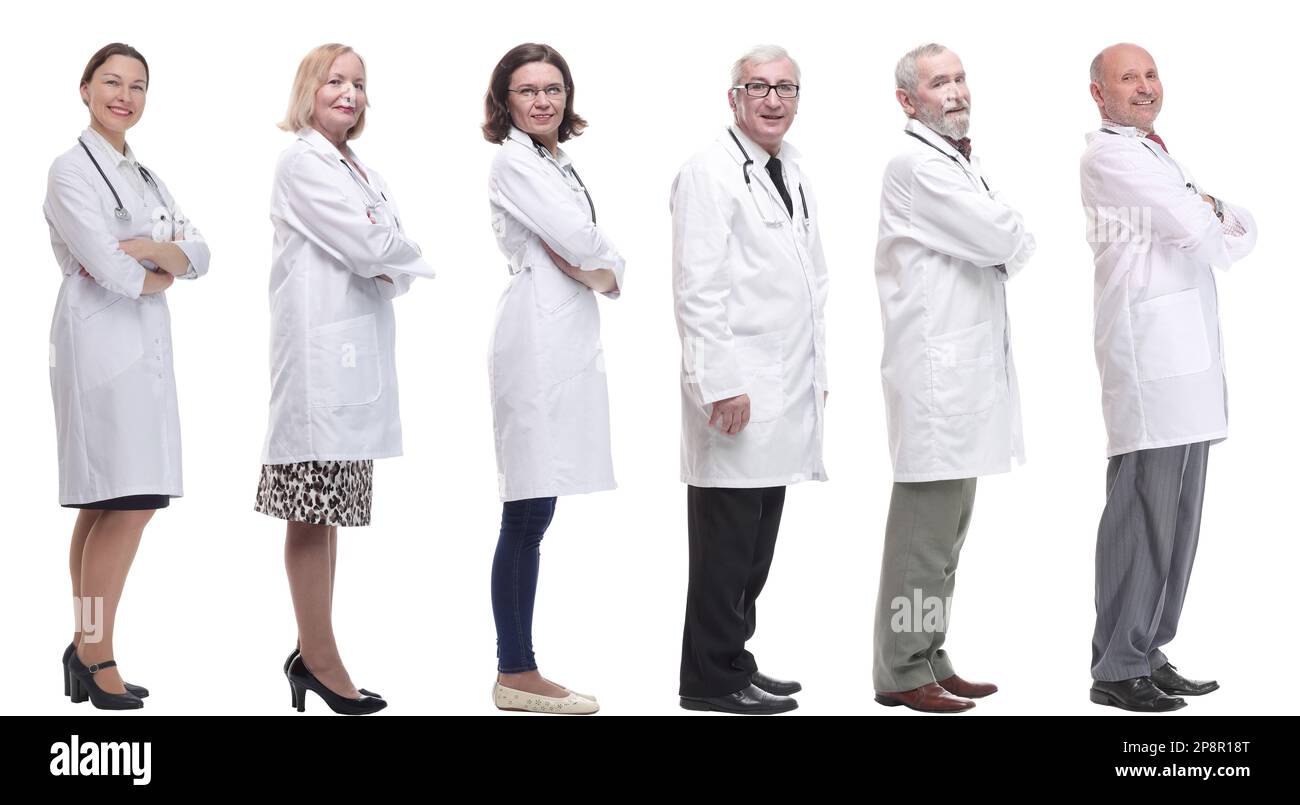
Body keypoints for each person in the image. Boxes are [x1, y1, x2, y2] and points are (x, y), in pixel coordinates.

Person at [257, 43, 433, 715]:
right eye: (335, 80)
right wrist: (390, 254)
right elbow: (375, 248)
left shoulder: (358, 168)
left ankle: (314, 650)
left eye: (359, 83)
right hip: (316, 369)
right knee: (310, 510)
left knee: (329, 512)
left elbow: (392, 254)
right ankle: (319, 657)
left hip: (351, 363)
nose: (349, 92)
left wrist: (390, 255)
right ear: (309, 88)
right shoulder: (302, 163)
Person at [1081, 43, 1256, 712]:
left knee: (1179, 519)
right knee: (1142, 514)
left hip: (1186, 368)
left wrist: (1208, 208)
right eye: (1130, 78)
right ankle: (1117, 664)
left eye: (1151, 74)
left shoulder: (1155, 153)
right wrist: (1207, 208)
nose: (1146, 86)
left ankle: (1148, 649)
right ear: (1099, 93)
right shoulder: (1112, 157)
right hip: (1150, 366)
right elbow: (1208, 233)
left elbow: (1239, 227)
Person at [869, 43, 1035, 714]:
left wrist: (1004, 236)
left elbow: (1001, 237)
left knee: (948, 536)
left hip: (962, 382)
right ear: (910, 101)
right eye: (940, 83)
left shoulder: (957, 161)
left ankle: (931, 653)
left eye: (961, 78)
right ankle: (903, 666)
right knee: (923, 539)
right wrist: (1006, 237)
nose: (957, 91)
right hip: (937, 383)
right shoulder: (916, 165)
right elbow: (1005, 239)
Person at [46, 43, 211, 710]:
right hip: (98, 348)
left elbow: (201, 250)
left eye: (137, 85)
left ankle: (86, 645)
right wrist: (159, 266)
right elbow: (112, 270)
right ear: (84, 89)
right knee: (125, 500)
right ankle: (96, 652)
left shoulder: (146, 178)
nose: (125, 94)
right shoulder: (69, 171)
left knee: (106, 502)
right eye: (111, 81)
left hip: (140, 349)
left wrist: (160, 257)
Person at [671, 44, 829, 715]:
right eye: (758, 87)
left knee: (756, 543)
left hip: (786, 383)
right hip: (738, 389)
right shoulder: (707, 173)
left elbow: (812, 280)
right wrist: (720, 382)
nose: (773, 100)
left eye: (785, 88)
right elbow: (697, 288)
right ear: (733, 98)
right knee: (726, 545)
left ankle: (734, 658)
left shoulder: (790, 167)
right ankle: (708, 677)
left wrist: (818, 371)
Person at [483, 42, 622, 715]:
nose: (543, 100)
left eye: (553, 88)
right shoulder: (514, 161)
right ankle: (516, 669)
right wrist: (604, 264)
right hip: (535, 339)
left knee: (538, 508)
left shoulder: (554, 159)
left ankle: (519, 666)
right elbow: (580, 239)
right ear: (504, 102)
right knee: (527, 509)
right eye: (528, 91)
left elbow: (586, 249)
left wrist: (599, 267)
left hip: (561, 336)